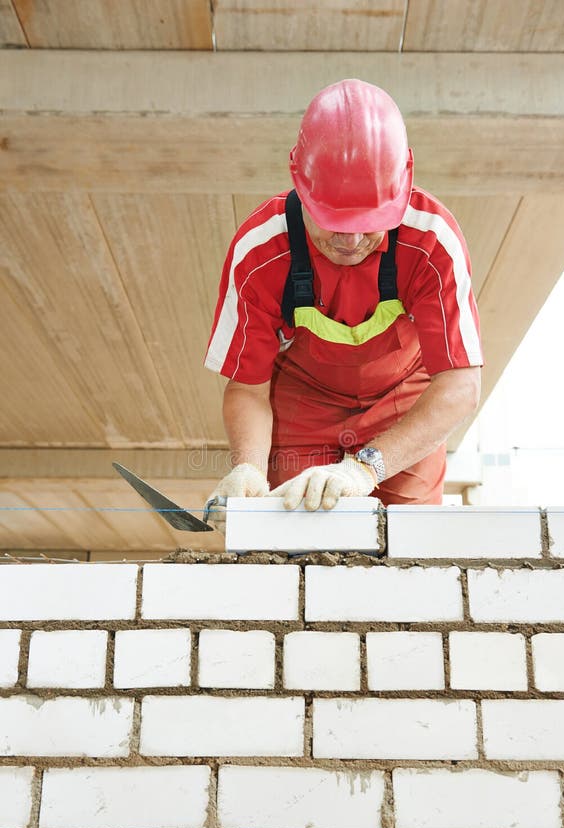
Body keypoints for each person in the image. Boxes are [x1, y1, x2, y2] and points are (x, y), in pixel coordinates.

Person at [204, 79, 483, 528]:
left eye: (370, 221)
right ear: (300, 185)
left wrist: (364, 468)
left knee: (412, 547)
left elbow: (460, 386)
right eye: (333, 220)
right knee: (292, 533)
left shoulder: (433, 242)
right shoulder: (259, 253)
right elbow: (249, 389)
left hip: (405, 403)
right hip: (303, 406)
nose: (351, 240)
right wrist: (249, 467)